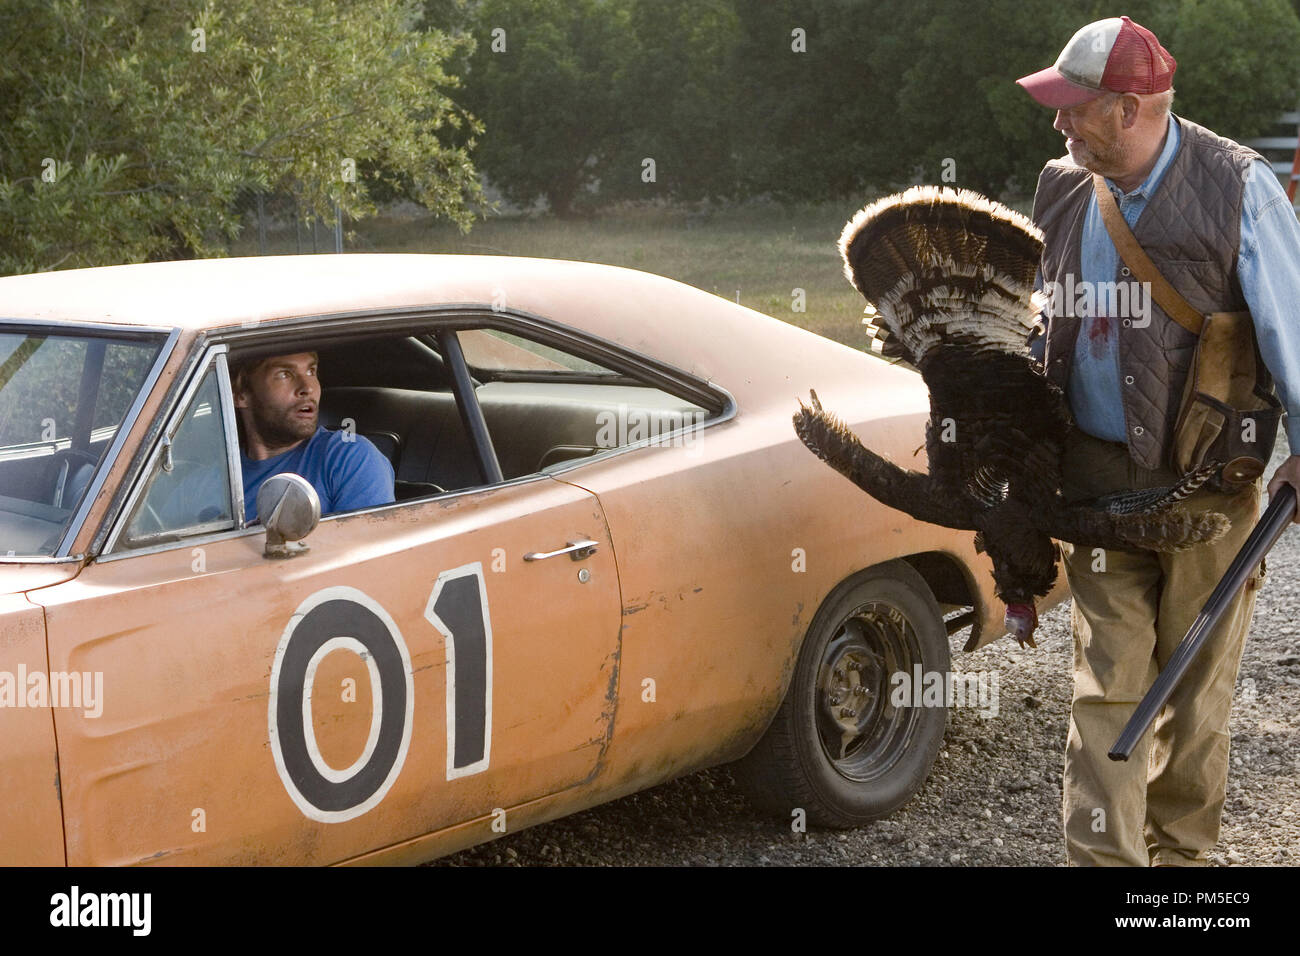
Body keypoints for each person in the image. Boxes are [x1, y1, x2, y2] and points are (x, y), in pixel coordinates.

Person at [1016, 15, 1300, 865]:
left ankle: (1181, 872)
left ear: (1131, 108)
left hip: (1211, 490)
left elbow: (1293, 328)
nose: (1060, 125)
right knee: (1107, 692)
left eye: (1075, 109)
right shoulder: (1062, 186)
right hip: (1097, 487)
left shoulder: (1240, 187)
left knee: (1195, 695)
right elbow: (1043, 325)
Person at [231, 351, 394, 522]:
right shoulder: (216, 474)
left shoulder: (349, 457)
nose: (308, 388)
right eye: (285, 374)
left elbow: (366, 546)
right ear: (240, 394)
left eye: (311, 371)